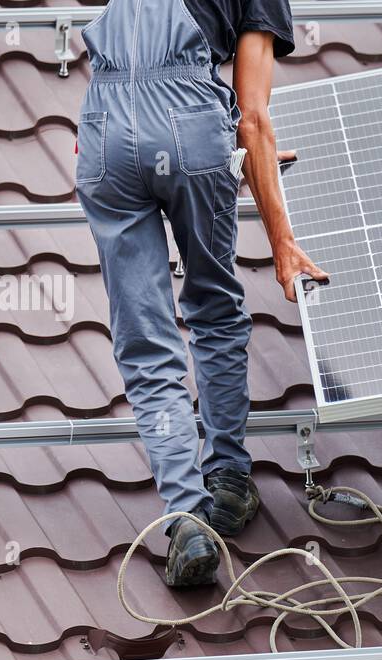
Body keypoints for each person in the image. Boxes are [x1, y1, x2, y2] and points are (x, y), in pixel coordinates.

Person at [75, 0, 327, 587]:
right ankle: (229, 484)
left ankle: (186, 519)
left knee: (144, 336)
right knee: (213, 307)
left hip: (105, 125)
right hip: (188, 122)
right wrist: (283, 241)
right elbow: (252, 118)